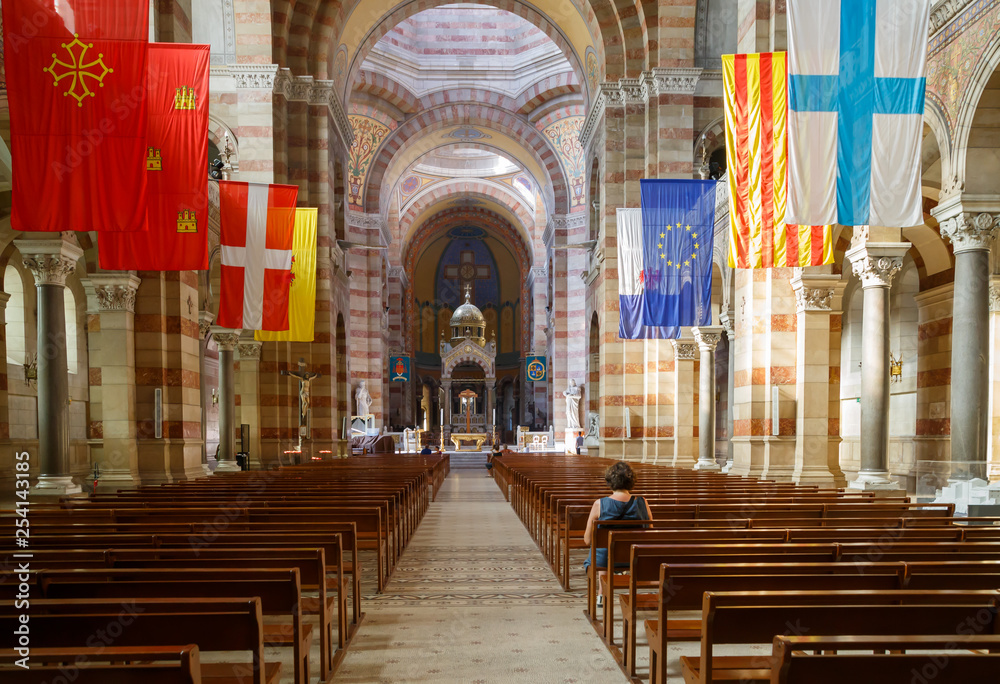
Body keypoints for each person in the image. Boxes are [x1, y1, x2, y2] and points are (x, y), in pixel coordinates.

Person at [582, 461, 652, 605]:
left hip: (604, 559)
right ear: (631, 481)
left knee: (604, 547)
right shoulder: (642, 502)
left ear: (610, 481)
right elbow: (649, 532)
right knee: (610, 546)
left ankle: (601, 594)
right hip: (634, 557)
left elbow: (587, 540)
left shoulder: (599, 504)